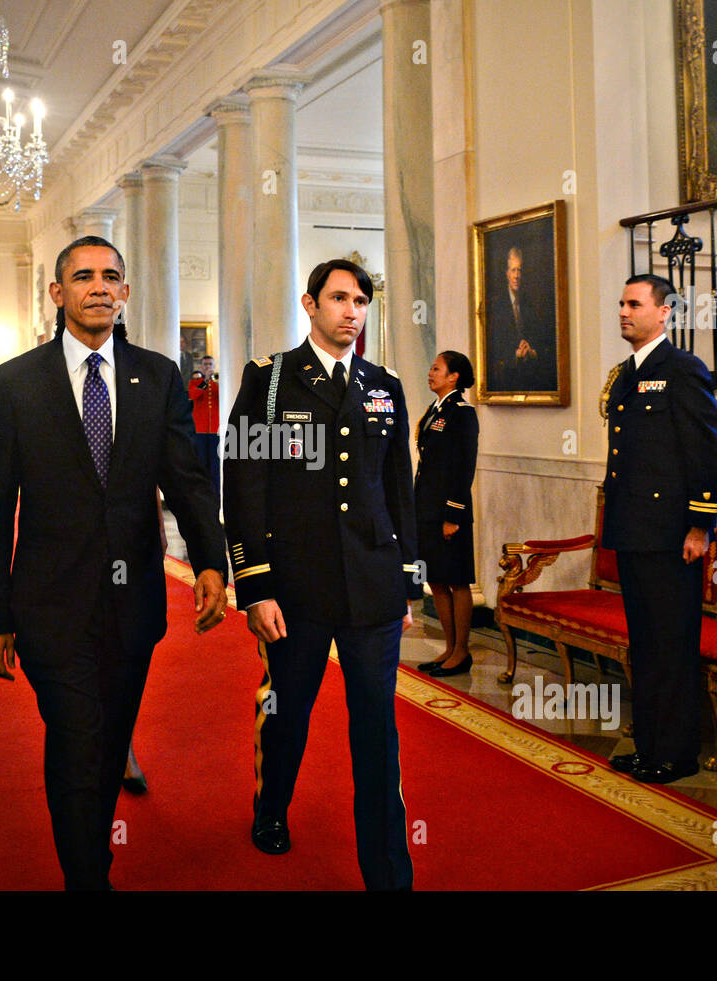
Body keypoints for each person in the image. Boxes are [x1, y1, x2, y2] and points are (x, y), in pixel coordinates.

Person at [0, 235, 227, 890]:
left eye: (110, 276)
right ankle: (89, 876)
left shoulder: (158, 376)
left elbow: (187, 479)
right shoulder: (14, 384)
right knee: (78, 743)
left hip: (133, 603)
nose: (98, 287)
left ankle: (91, 849)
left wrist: (209, 561)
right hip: (48, 606)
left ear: (125, 292)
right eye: (82, 276)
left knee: (109, 741)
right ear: (58, 293)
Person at [223, 257, 422, 890]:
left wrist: (407, 581)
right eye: (339, 299)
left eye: (361, 301)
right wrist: (253, 585)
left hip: (371, 587)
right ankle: (272, 806)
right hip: (296, 588)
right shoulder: (271, 380)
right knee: (288, 714)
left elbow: (399, 489)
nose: (351, 312)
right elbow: (244, 484)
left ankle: (388, 873)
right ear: (310, 305)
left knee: (377, 733)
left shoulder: (384, 384)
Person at [603, 273, 717, 785]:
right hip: (634, 531)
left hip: (672, 535)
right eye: (622, 303)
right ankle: (649, 744)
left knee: (672, 644)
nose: (624, 312)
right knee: (646, 644)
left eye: (634, 303)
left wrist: (700, 526)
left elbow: (705, 450)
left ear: (664, 312)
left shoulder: (682, 369)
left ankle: (676, 753)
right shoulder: (627, 374)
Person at [414, 351, 480, 678]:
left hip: (450, 512)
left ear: (454, 376)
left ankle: (463, 651)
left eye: (436, 368)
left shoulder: (462, 413)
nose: (431, 373)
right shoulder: (434, 411)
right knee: (436, 580)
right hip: (427, 508)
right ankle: (449, 647)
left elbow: (463, 466)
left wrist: (452, 514)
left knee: (457, 580)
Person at [488, 247, 555, 392]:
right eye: (513, 270)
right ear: (506, 273)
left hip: (530, 380)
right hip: (506, 382)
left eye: (519, 270)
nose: (517, 275)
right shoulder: (497, 305)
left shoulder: (528, 304)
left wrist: (531, 351)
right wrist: (515, 355)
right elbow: (493, 349)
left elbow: (541, 341)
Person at [188, 354, 221, 492]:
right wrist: (205, 381)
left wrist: (214, 382)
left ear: (214, 366)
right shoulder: (195, 382)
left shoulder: (218, 382)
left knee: (215, 463)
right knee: (201, 462)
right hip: (200, 429)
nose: (208, 367)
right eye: (205, 365)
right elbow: (193, 395)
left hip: (215, 430)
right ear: (201, 367)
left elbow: (222, 395)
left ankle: (215, 491)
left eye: (210, 365)